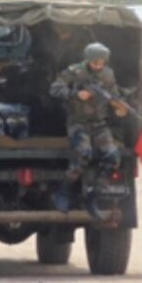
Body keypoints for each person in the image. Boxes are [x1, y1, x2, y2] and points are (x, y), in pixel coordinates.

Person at [49, 42, 128, 221]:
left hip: (100, 124)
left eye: (101, 63)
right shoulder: (74, 72)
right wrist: (76, 95)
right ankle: (63, 192)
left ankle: (92, 194)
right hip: (78, 123)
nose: (98, 66)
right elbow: (55, 89)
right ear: (88, 59)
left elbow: (113, 94)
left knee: (113, 158)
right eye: (95, 63)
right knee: (83, 155)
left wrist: (119, 106)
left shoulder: (108, 75)